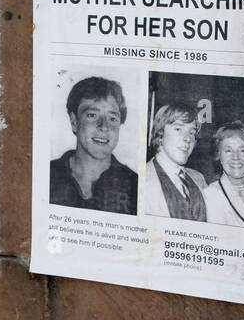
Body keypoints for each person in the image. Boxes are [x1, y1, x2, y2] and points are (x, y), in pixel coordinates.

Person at [48, 76, 138, 215]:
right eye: (92, 115)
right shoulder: (48, 174)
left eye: (112, 118)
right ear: (74, 122)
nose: (104, 126)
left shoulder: (135, 185)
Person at [143, 102, 207, 220]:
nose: (187, 138)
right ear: (160, 134)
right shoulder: (142, 180)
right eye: (178, 129)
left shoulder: (199, 179)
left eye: (192, 132)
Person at [202, 121, 244, 229]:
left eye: (242, 150)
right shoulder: (211, 195)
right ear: (218, 156)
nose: (235, 157)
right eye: (228, 150)